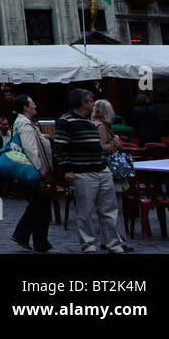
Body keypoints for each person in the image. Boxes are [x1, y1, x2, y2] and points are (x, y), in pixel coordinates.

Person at [55, 88, 126, 254]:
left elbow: (98, 147)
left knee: (109, 210)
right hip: (83, 173)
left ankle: (114, 245)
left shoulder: (90, 121)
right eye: (91, 100)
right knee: (85, 212)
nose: (93, 103)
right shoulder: (66, 121)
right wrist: (68, 169)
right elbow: (60, 147)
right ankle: (89, 246)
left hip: (102, 169)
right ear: (82, 102)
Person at [11, 94, 55, 253]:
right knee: (41, 209)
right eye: (33, 103)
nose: (35, 105)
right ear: (25, 107)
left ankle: (22, 235)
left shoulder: (24, 123)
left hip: (28, 171)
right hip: (33, 172)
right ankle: (41, 243)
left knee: (37, 206)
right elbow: (30, 149)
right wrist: (40, 171)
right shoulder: (24, 124)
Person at [91, 99, 131, 249]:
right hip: (110, 170)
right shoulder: (101, 126)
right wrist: (115, 142)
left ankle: (106, 239)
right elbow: (103, 147)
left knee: (106, 207)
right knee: (115, 207)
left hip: (103, 169)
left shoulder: (96, 124)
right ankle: (118, 240)